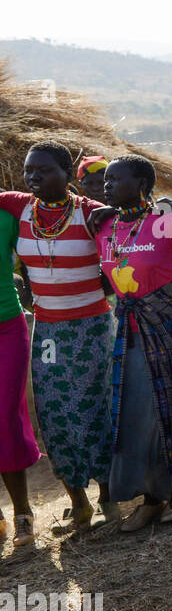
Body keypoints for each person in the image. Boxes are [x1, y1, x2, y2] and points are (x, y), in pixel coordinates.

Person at [2, 142, 116, 533]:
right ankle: (79, 503)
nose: (34, 177)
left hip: (93, 327)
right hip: (48, 330)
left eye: (44, 170)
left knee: (97, 407)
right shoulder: (22, 209)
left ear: (68, 176)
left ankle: (109, 498)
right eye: (30, 170)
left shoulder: (90, 213)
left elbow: (123, 252)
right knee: (54, 414)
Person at [95, 156, 172, 532]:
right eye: (105, 180)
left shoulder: (165, 222)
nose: (107, 186)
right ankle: (151, 497)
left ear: (140, 183)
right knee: (137, 412)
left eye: (115, 179)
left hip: (169, 325)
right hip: (129, 330)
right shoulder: (104, 225)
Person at [0, 206, 39, 548]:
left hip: (6, 326)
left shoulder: (6, 215)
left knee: (6, 416)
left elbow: (32, 257)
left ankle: (22, 513)